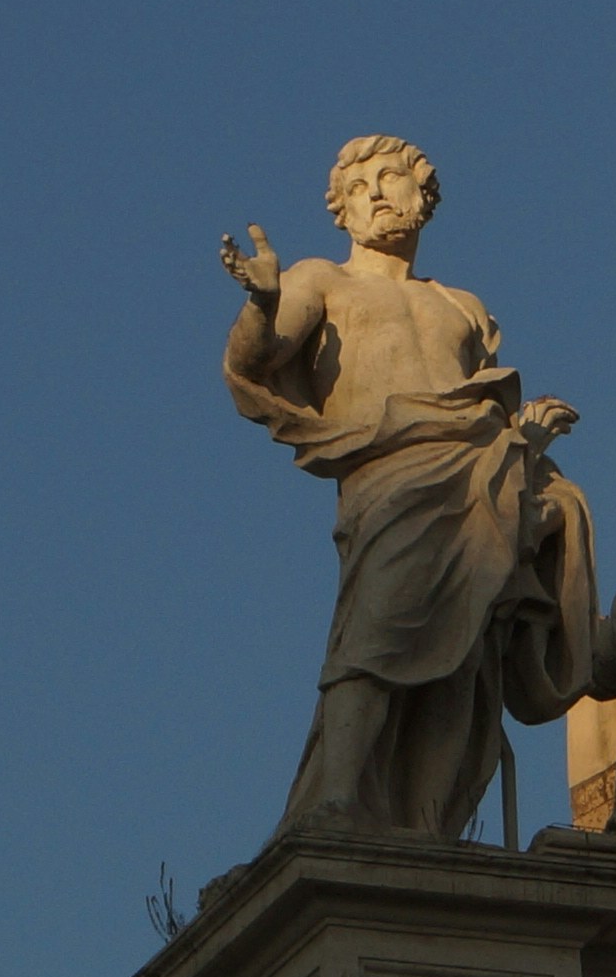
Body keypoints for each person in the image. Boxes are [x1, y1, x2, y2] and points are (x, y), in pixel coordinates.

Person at [221, 137, 595, 835]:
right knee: (374, 635)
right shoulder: (322, 281)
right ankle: (335, 802)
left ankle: (429, 826)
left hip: (480, 481)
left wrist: (528, 437)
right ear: (342, 211)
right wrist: (261, 307)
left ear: (425, 196)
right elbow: (260, 359)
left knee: (464, 657)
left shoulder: (462, 305)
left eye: (391, 179)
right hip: (389, 479)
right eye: (360, 188)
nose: (378, 195)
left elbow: (488, 412)